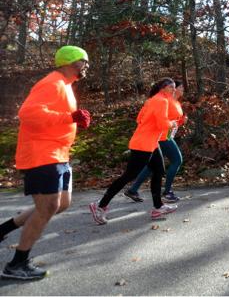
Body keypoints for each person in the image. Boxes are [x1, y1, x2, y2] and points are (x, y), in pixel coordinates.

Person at [0, 46, 91, 280]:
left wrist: (74, 121)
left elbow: (56, 117)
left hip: (59, 153)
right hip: (42, 153)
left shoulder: (66, 87)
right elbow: (28, 113)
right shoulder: (53, 82)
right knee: (48, 206)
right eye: (83, 61)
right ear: (70, 62)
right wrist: (69, 117)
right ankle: (17, 263)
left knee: (60, 204)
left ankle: (4, 229)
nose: (87, 66)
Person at [89, 79, 179, 224]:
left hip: (149, 142)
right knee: (128, 176)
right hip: (143, 144)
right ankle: (100, 206)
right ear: (162, 88)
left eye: (175, 88)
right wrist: (172, 123)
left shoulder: (152, 100)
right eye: (171, 87)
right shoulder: (161, 101)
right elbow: (162, 123)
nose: (174, 90)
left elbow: (139, 119)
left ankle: (158, 207)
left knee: (158, 170)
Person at [124, 80, 187, 203]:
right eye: (180, 87)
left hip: (167, 135)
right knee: (177, 160)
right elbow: (154, 118)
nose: (181, 90)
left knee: (152, 166)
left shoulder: (175, 102)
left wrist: (180, 122)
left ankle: (133, 189)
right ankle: (167, 192)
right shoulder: (164, 101)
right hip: (162, 136)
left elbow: (172, 120)